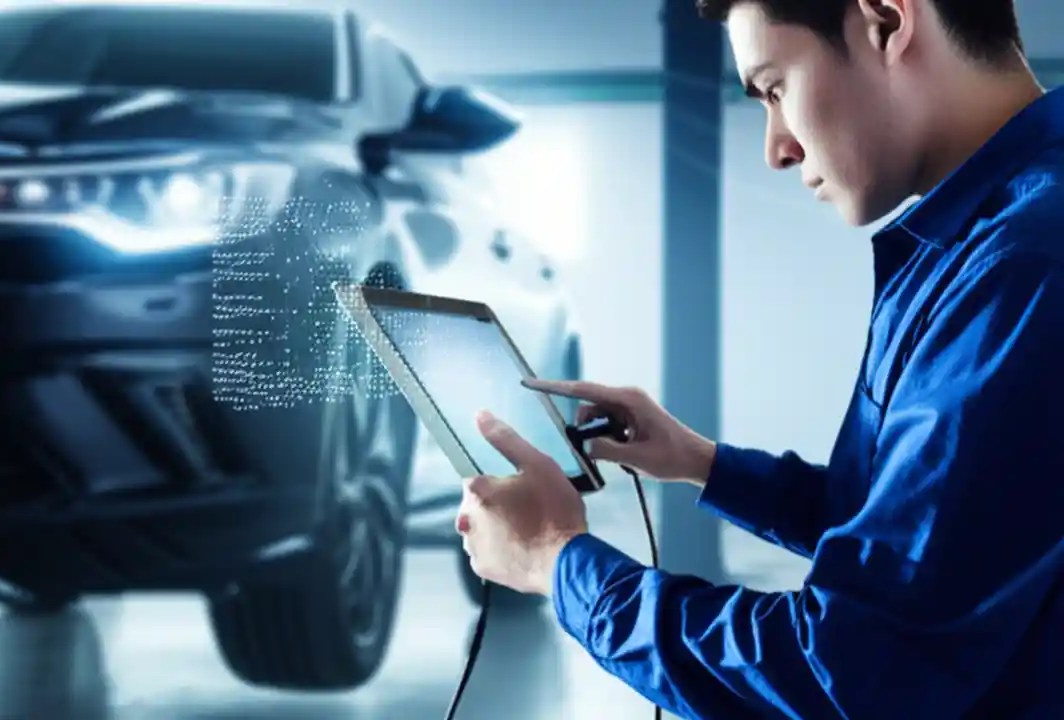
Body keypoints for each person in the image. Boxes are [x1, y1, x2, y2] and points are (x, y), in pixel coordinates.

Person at [454, 0, 1064, 717]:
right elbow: (925, 536)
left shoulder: (1026, 266)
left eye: (774, 89)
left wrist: (558, 562)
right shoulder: (978, 247)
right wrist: (702, 462)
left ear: (886, 21)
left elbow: (849, 672)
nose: (776, 149)